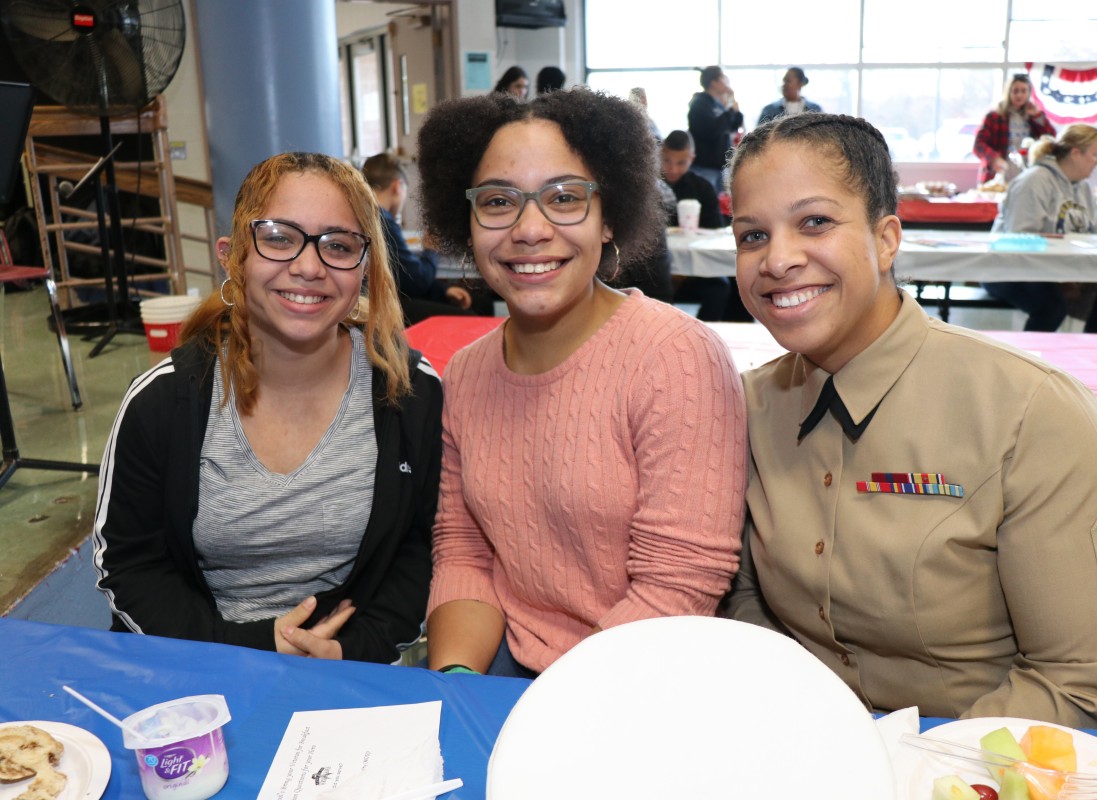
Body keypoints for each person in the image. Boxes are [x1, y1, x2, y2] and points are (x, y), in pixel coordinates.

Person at [720, 113, 1097, 728]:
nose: (778, 259)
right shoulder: (747, 407)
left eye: (814, 221)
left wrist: (915, 769)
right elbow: (742, 599)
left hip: (973, 762)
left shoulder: (1031, 414)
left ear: (887, 238)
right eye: (751, 236)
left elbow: (1077, 677)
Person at [416, 87, 747, 678]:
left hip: (642, 678)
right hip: (508, 665)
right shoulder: (465, 373)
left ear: (609, 216)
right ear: (465, 222)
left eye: (564, 198)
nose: (529, 229)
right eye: (498, 201)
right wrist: (460, 687)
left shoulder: (674, 358)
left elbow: (678, 585)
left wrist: (550, 708)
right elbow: (465, 550)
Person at [91, 152, 442, 664]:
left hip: (351, 665)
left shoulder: (408, 394)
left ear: (364, 268)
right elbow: (129, 565)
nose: (308, 267)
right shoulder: (164, 402)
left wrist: (349, 650)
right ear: (232, 257)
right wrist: (249, 648)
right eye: (278, 237)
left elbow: (423, 549)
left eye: (338, 246)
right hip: (198, 662)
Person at [983, 124, 1097, 333]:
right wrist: (1061, 279)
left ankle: (1094, 353)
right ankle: (1029, 361)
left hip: (1059, 269)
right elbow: (1018, 239)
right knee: (1052, 306)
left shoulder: (1083, 187)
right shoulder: (1034, 181)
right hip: (1008, 269)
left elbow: (1088, 231)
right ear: (1076, 154)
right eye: (1094, 154)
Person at [361, 152, 473, 324]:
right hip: (383, 306)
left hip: (377, 298)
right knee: (468, 317)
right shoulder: (382, 220)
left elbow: (402, 277)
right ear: (398, 187)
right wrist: (431, 250)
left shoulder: (365, 215)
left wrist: (443, 291)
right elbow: (416, 281)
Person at [660, 129, 730, 320]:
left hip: (697, 269)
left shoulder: (703, 187)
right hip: (657, 269)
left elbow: (715, 233)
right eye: (667, 161)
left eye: (681, 162)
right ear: (659, 154)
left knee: (722, 288)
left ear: (692, 158)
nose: (673, 169)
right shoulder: (648, 187)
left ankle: (703, 335)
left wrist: (686, 271)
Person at [973, 73, 1056, 186]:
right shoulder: (994, 116)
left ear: (1029, 93)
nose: (1019, 95)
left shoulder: (1033, 117)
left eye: (1023, 91)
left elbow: (1050, 139)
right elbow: (979, 145)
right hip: (999, 174)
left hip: (1026, 173)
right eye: (1015, 91)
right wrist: (994, 158)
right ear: (1008, 92)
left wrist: (1037, 117)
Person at [687, 65, 743, 193]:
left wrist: (733, 103)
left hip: (721, 167)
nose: (726, 82)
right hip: (705, 167)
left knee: (723, 206)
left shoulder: (717, 104)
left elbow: (734, 125)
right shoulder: (700, 104)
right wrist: (729, 111)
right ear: (714, 83)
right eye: (723, 78)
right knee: (707, 204)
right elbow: (713, 129)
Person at [757, 67, 822, 125]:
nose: (784, 85)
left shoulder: (815, 109)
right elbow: (759, 136)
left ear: (800, 84)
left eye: (788, 81)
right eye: (784, 81)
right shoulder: (769, 110)